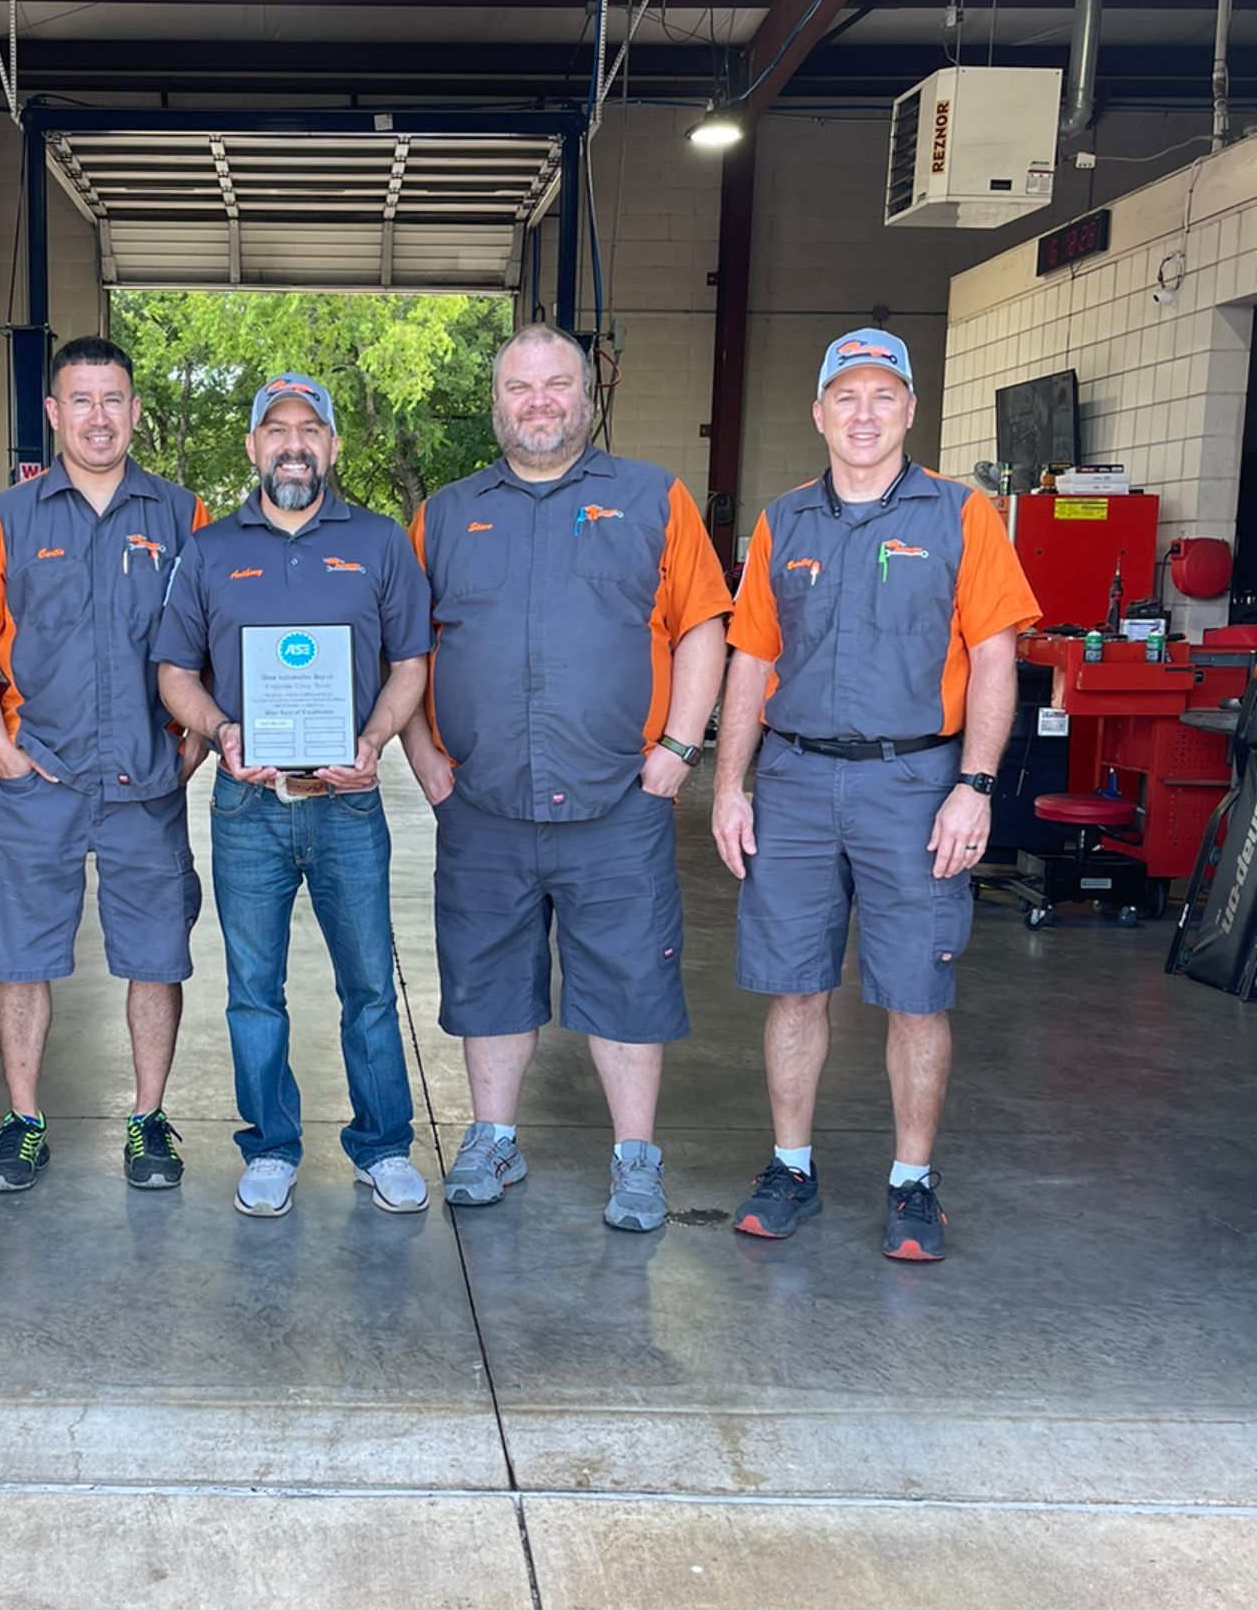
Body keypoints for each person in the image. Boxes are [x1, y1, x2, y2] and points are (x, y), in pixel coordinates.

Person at [711, 329, 1041, 1262]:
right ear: (818, 413)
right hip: (795, 782)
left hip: (916, 784)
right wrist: (728, 785)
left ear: (910, 410)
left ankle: (912, 1182)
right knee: (794, 988)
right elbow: (751, 661)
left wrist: (975, 786)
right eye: (846, 397)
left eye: (882, 396)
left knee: (915, 992)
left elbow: (994, 659)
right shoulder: (782, 524)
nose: (864, 414)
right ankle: (791, 1168)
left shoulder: (963, 516)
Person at [401, 322, 732, 1230]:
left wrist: (679, 750)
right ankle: (492, 1140)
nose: (539, 402)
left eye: (557, 385)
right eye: (520, 387)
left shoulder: (653, 498)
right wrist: (427, 763)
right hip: (483, 803)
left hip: (617, 802)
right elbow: (407, 650)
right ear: (495, 403)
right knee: (486, 978)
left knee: (630, 982)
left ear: (588, 398)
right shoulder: (446, 515)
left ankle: (635, 1159)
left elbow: (704, 625)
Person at [0, 336, 209, 1195]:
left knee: (155, 957)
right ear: (54, 413)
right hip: (41, 778)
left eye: (113, 399)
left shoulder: (182, 515)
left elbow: (217, 635)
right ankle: (24, 1121)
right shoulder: (8, 518)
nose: (99, 417)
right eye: (81, 401)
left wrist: (198, 738)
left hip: (146, 781)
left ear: (135, 411)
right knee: (22, 957)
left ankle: (148, 1119)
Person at [155, 375, 432, 1219]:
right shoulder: (208, 550)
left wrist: (374, 740)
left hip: (348, 803)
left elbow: (410, 664)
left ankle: (383, 1146)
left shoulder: (380, 542)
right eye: (276, 429)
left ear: (332, 446)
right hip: (250, 808)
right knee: (253, 992)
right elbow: (175, 672)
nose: (293, 444)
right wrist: (220, 729)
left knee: (370, 988)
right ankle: (271, 1147)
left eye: (310, 428)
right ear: (253, 447)